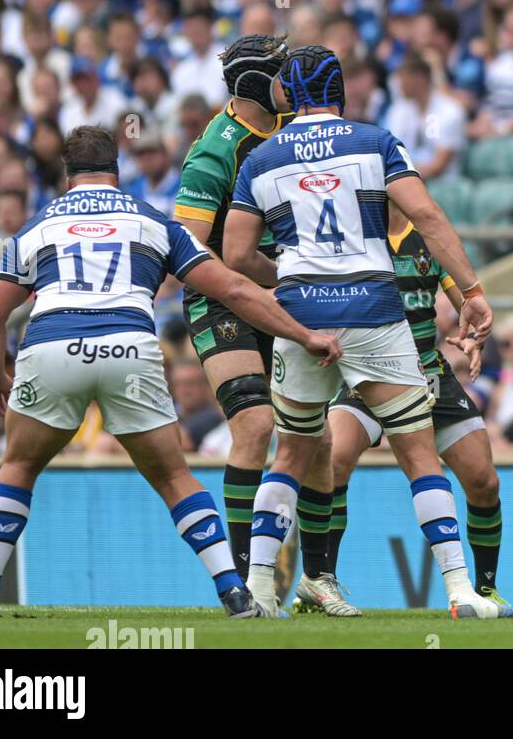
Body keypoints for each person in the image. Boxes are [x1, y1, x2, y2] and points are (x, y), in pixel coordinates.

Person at [0, 124, 341, 619]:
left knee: (18, 467)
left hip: (52, 343)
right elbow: (232, 289)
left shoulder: (36, 227)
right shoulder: (152, 220)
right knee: (173, 476)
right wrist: (305, 334)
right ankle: (233, 592)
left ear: (66, 173)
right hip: (129, 347)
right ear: (117, 171)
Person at [222, 45, 498, 620]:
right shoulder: (374, 141)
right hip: (374, 309)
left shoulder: (261, 158)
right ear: (340, 88)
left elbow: (236, 254)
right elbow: (427, 216)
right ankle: (458, 590)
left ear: (285, 95)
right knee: (420, 455)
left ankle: (260, 592)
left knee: (292, 453)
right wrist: (470, 292)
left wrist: (290, 279)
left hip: (300, 317)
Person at [169, 33, 341, 616]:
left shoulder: (294, 131)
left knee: (315, 438)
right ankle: (242, 580)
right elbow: (187, 250)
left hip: (281, 295)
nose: (291, 80)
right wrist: (253, 282)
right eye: (280, 72)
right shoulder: (217, 149)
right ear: (253, 84)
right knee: (255, 423)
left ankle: (320, 576)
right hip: (222, 299)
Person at [324, 200, 513, 617]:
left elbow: (463, 301)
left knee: (484, 480)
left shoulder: (429, 235)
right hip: (366, 374)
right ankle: (321, 580)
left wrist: (472, 336)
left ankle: (485, 589)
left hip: (429, 371)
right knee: (334, 462)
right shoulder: (352, 233)